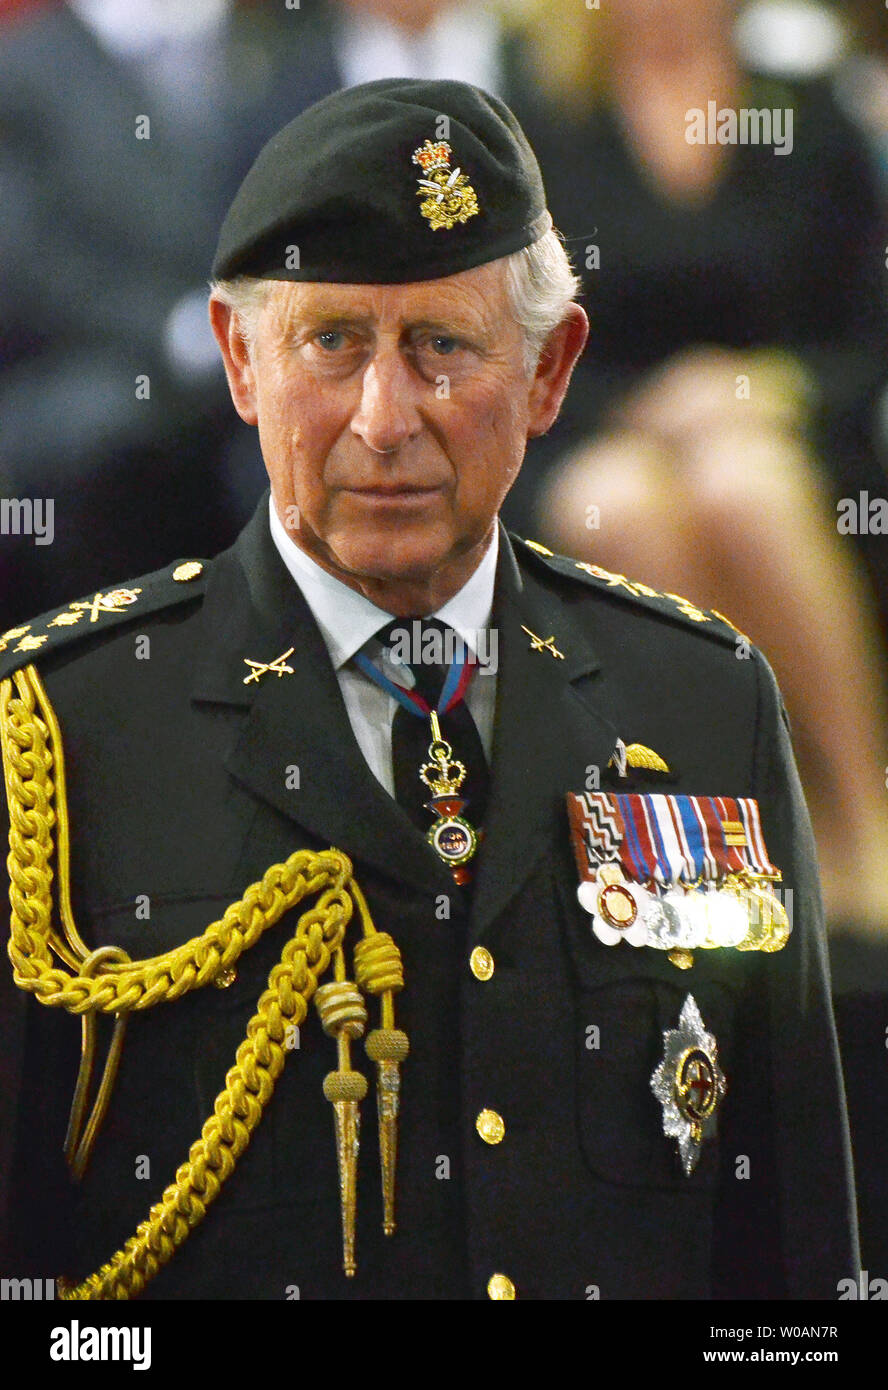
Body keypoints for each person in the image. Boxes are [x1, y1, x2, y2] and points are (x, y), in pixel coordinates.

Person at [0, 78, 857, 1300]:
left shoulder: (704, 706)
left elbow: (791, 1277)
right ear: (241, 361)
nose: (385, 419)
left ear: (552, 372)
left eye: (443, 347)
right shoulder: (58, 736)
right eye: (333, 343)